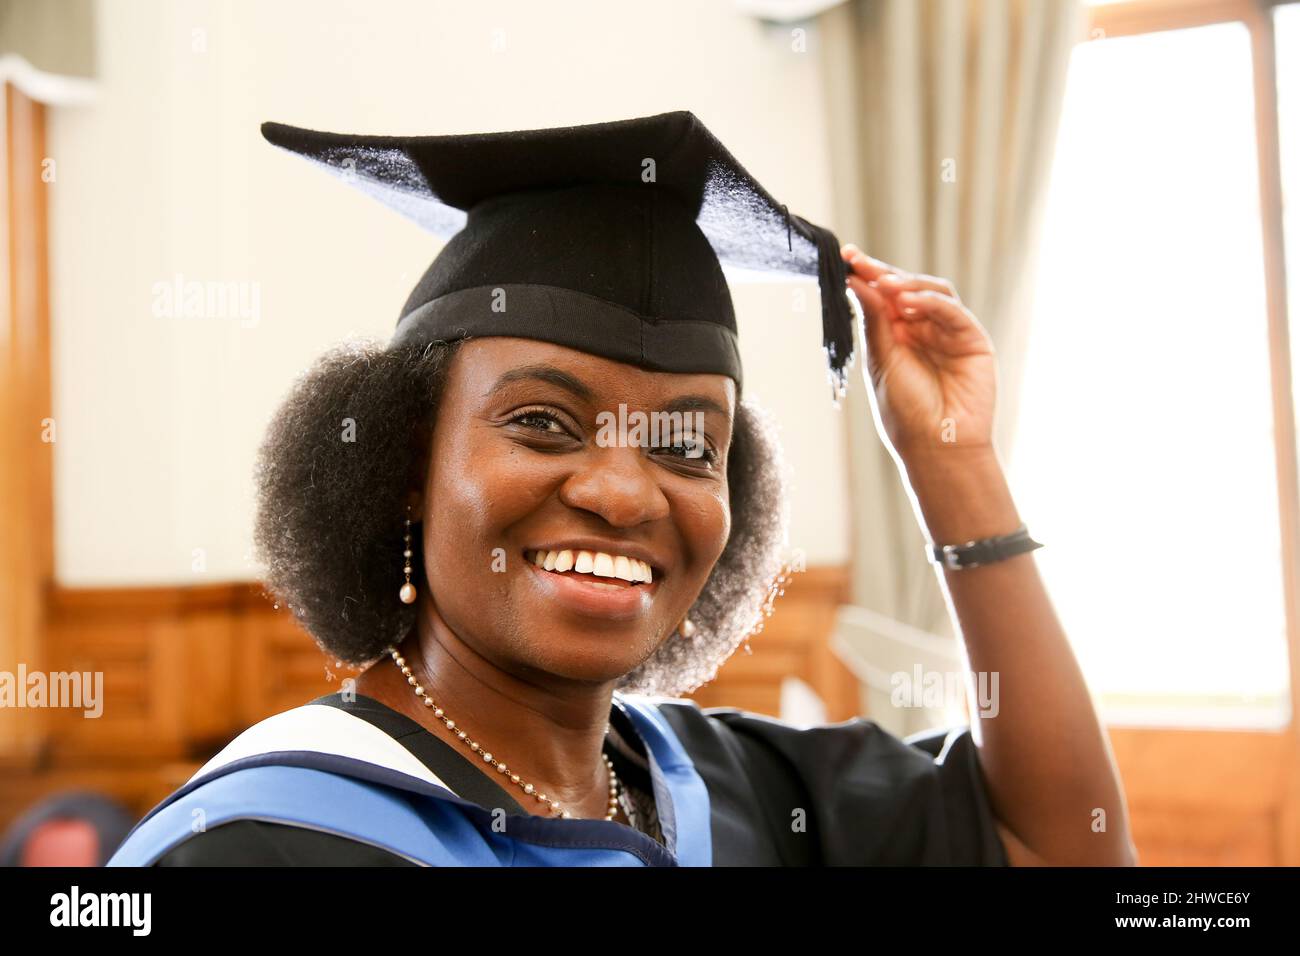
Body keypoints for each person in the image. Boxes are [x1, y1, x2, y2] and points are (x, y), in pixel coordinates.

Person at [107, 111, 1135, 867]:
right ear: (401, 465)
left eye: (687, 444)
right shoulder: (264, 841)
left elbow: (1057, 846)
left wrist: (953, 465)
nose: (621, 490)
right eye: (543, 422)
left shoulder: (739, 795)